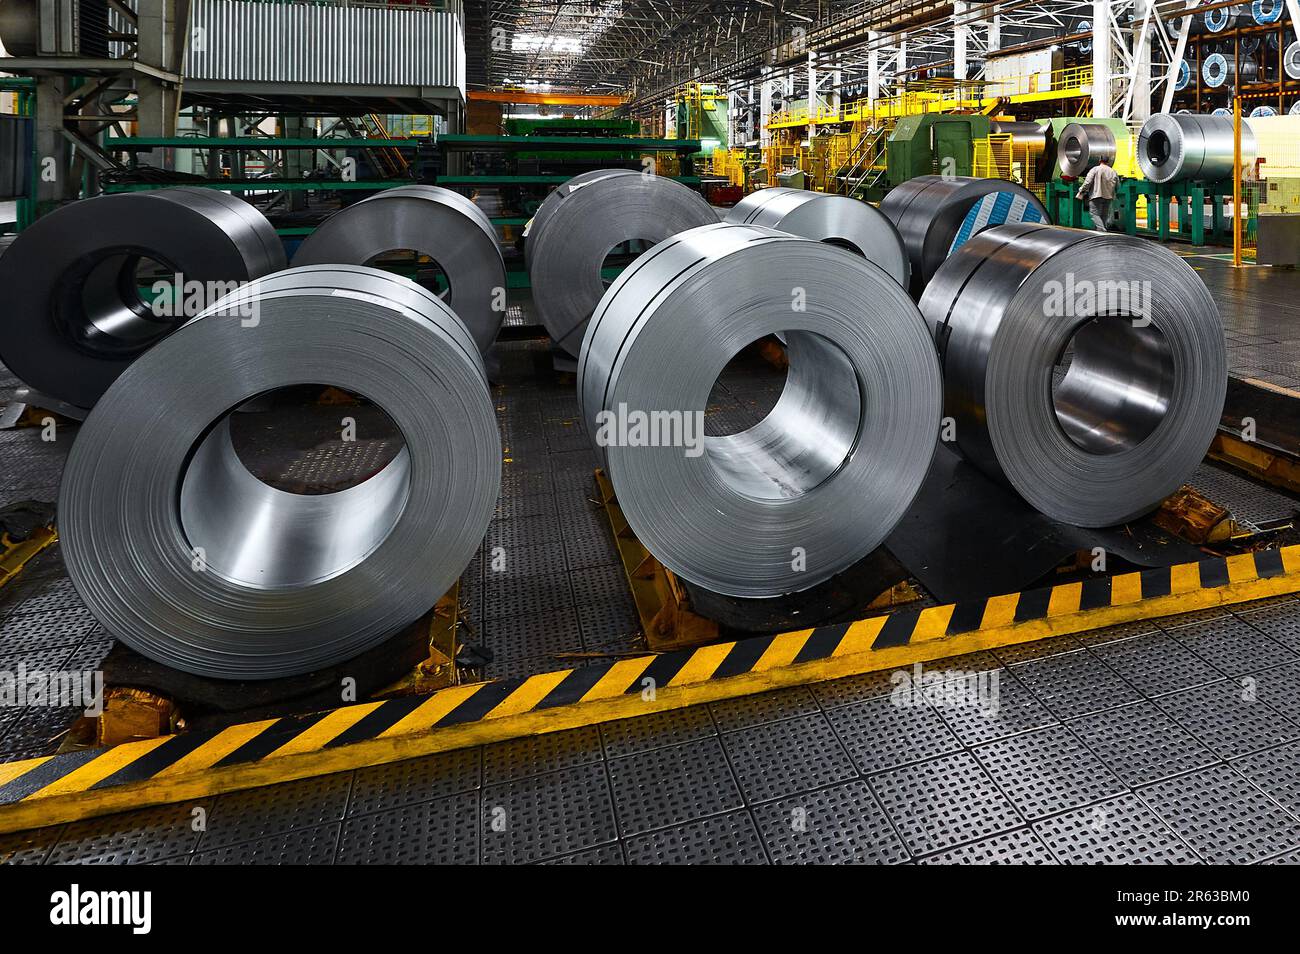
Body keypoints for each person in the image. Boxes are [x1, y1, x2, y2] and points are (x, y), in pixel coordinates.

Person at [1076, 156, 1119, 232]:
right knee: (1104, 215)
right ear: (1108, 162)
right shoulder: (1113, 171)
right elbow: (1117, 185)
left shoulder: (1095, 169)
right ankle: (1101, 232)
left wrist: (1081, 190)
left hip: (1096, 195)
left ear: (1099, 160)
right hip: (1108, 197)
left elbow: (1087, 182)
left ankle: (1102, 230)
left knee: (1094, 213)